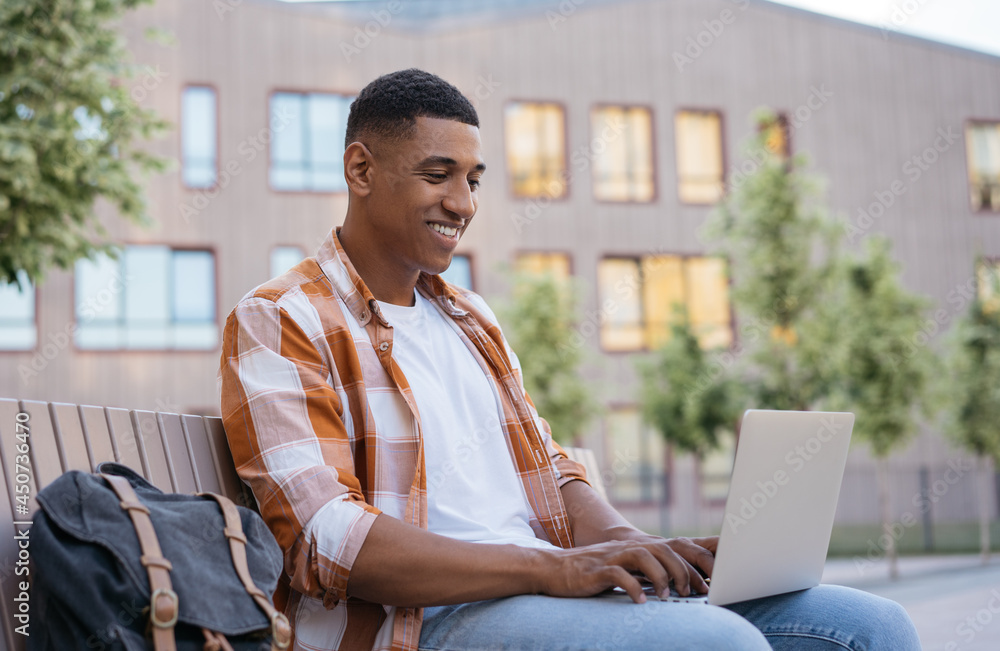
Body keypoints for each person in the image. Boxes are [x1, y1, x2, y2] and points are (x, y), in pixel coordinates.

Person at [220, 68, 920, 651]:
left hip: (537, 590)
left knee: (868, 626)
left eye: (474, 179)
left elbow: (552, 473)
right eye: (440, 175)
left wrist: (637, 549)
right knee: (717, 644)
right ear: (361, 168)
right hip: (424, 623)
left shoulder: (470, 317)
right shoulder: (283, 318)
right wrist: (554, 568)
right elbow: (328, 541)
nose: (462, 203)